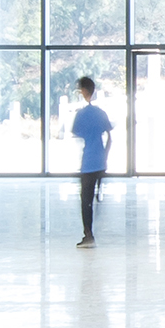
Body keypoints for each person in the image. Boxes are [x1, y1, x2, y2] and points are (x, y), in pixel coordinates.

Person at [69, 75, 112, 247]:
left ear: (84, 91)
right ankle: (89, 233)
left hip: (87, 162)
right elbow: (110, 137)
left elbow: (75, 135)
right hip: (100, 160)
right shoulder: (101, 113)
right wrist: (105, 156)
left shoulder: (81, 114)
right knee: (92, 195)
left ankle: (88, 234)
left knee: (85, 200)